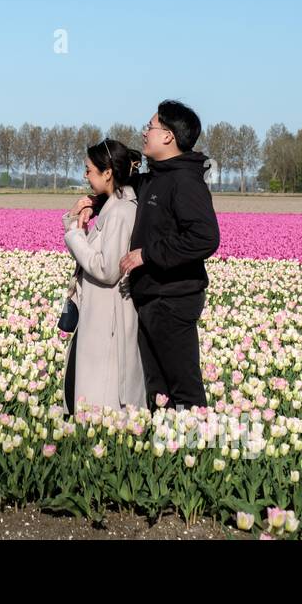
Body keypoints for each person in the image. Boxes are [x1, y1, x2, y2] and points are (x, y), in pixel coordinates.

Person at [119, 101, 220, 412]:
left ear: (168, 136)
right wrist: (91, 204)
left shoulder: (185, 181)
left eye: (150, 127)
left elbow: (205, 237)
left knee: (183, 390)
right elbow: (123, 189)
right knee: (158, 391)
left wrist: (148, 255)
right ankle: (166, 441)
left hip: (172, 299)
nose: (144, 132)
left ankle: (196, 440)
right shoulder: (156, 177)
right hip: (152, 296)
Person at [60, 137, 147, 415]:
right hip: (99, 312)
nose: (85, 176)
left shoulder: (120, 212)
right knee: (91, 389)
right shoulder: (113, 206)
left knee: (103, 393)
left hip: (108, 316)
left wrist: (75, 235)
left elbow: (108, 269)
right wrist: (73, 219)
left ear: (108, 172)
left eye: (89, 170)